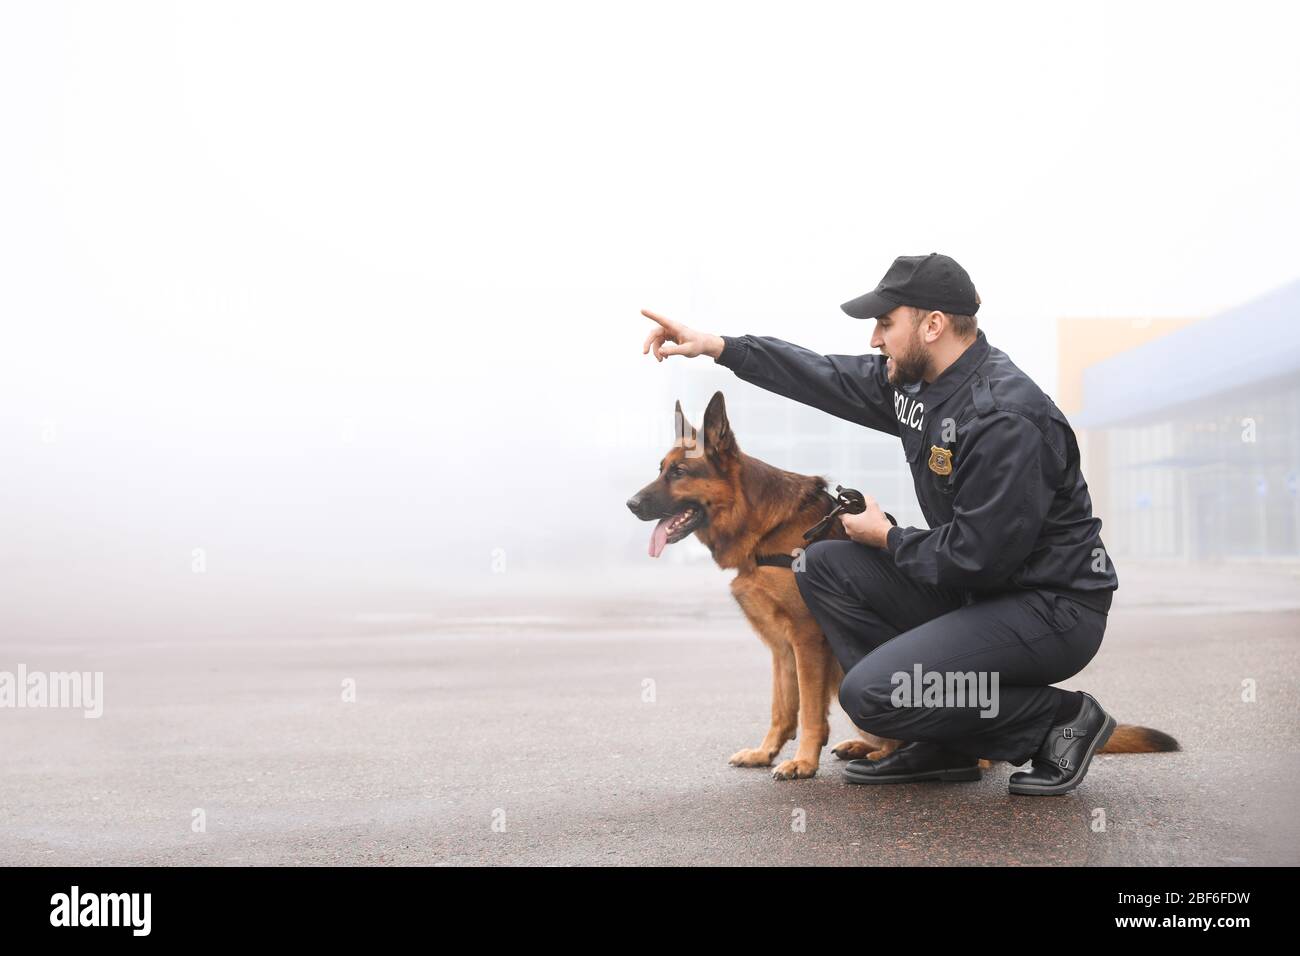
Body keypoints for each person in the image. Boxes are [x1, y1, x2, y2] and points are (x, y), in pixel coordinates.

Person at [639, 253, 1118, 795]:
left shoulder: (1003, 417)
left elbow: (979, 557)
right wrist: (721, 347)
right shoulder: (918, 386)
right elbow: (820, 374)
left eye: (886, 323)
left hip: (1049, 607)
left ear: (932, 325)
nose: (874, 339)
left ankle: (1061, 719)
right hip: (981, 592)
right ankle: (937, 744)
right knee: (822, 564)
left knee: (873, 694)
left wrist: (886, 536)